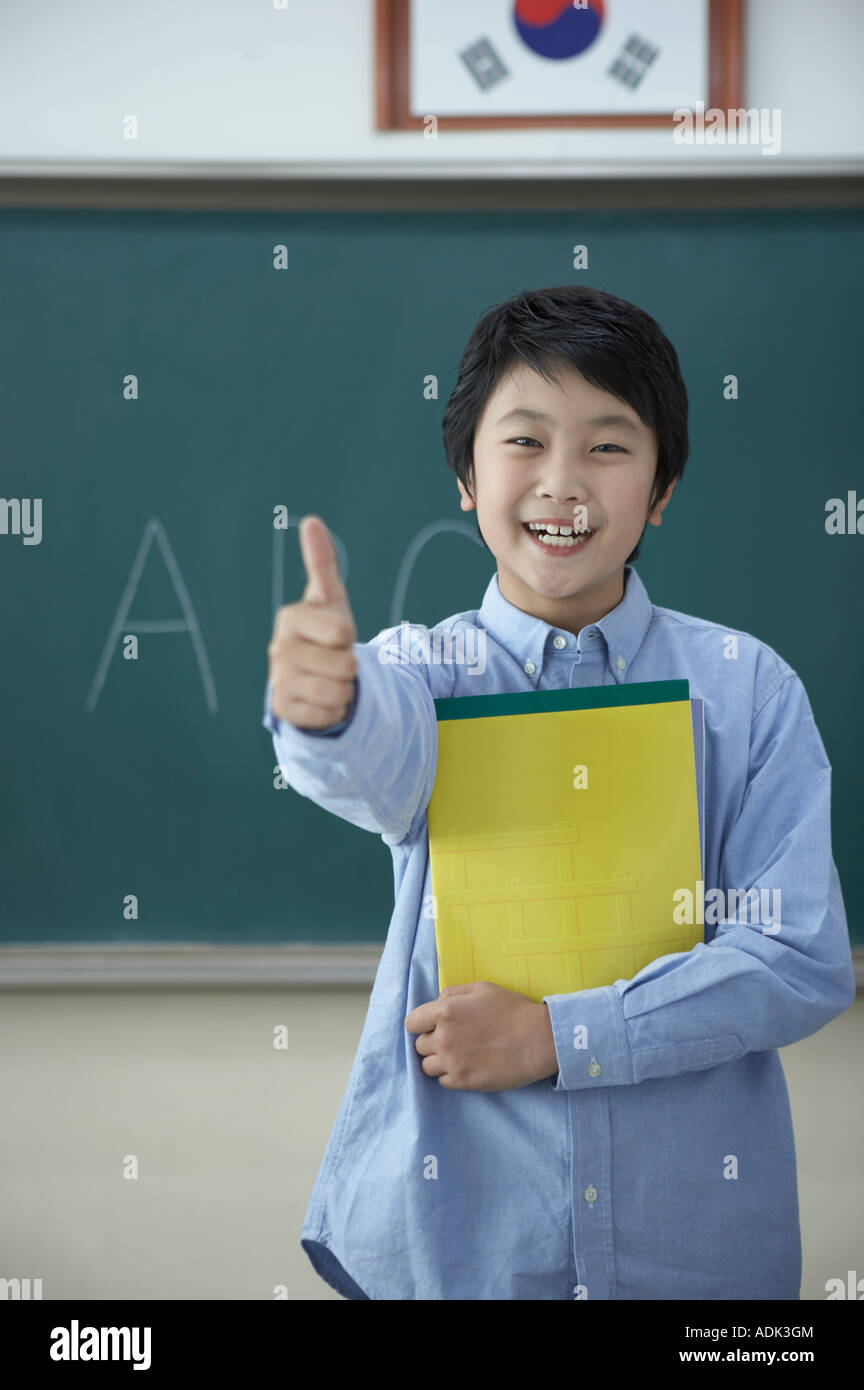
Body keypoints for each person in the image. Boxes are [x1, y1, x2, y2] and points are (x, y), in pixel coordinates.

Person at [263, 284, 855, 1301]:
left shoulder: (746, 689)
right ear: (466, 473)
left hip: (698, 1260)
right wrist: (322, 707)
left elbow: (797, 958)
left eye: (610, 447)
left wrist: (557, 1036)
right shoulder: (422, 673)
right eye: (525, 442)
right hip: (459, 1249)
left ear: (661, 488)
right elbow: (369, 752)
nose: (563, 484)